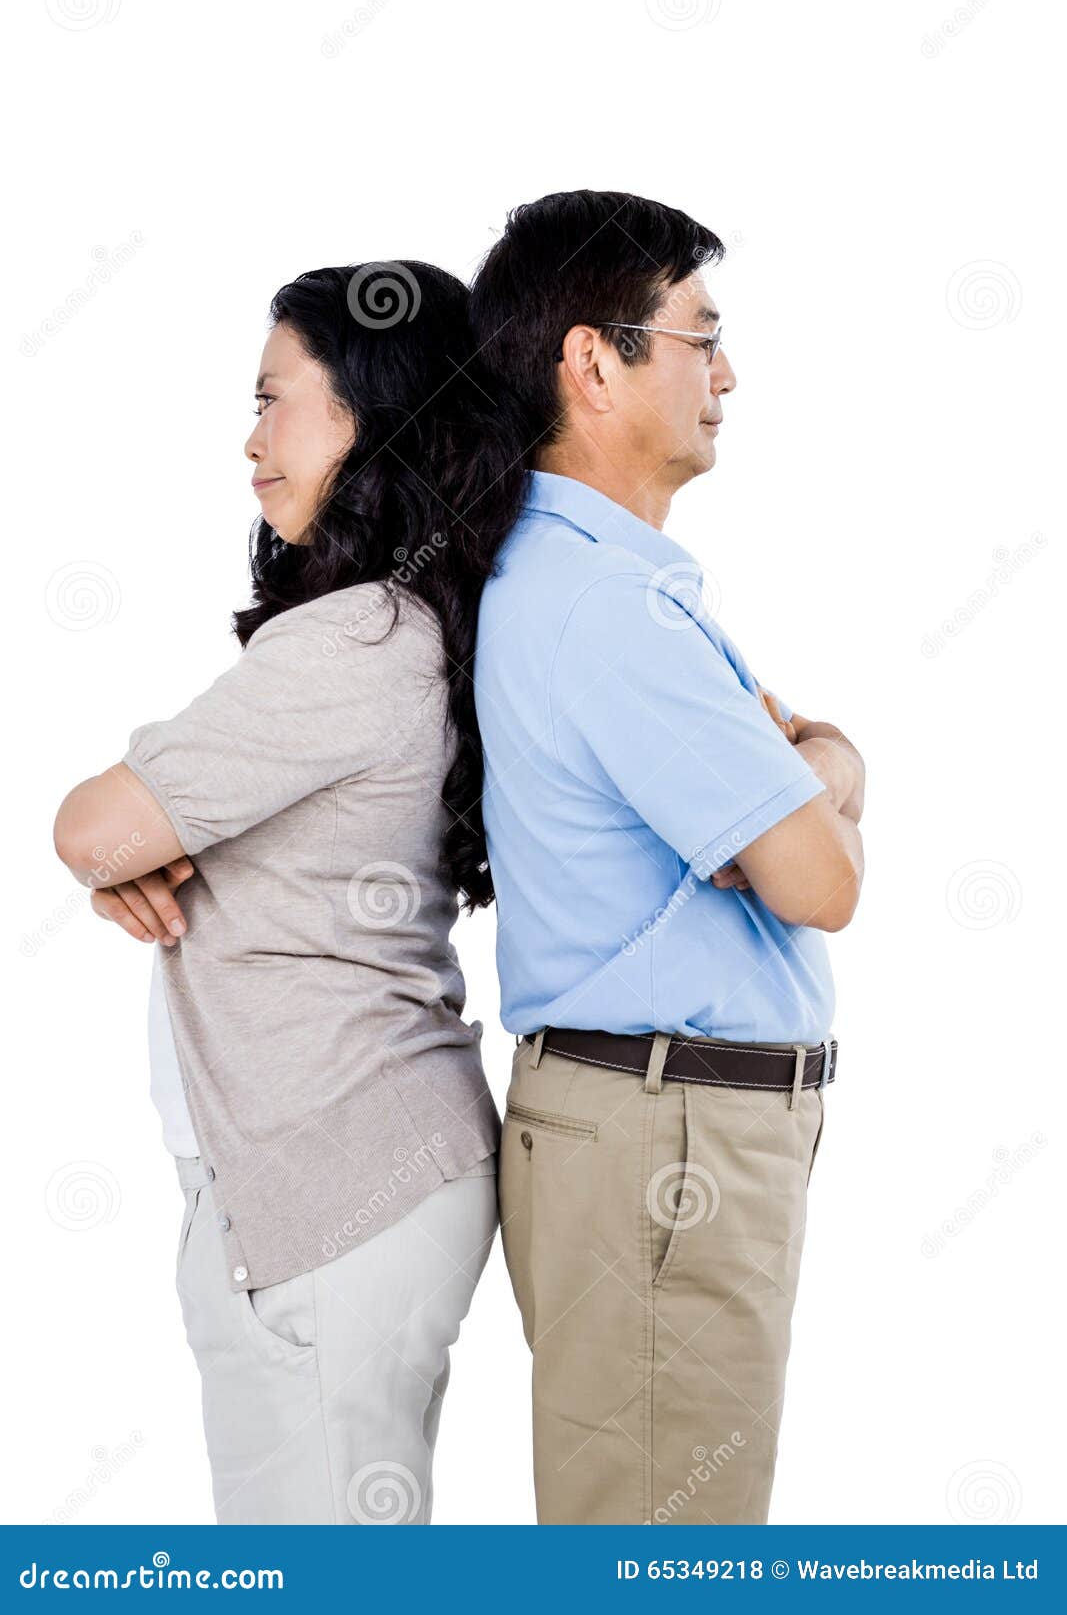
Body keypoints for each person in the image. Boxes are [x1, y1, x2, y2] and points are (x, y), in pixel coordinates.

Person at [53, 260, 526, 1525]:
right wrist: (135, 857)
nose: (251, 442)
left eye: (275, 401)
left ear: (371, 415)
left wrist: (127, 848)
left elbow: (93, 821)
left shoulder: (350, 640)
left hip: (330, 1188)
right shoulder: (416, 621)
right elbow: (126, 840)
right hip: (359, 1175)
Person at [469, 191, 866, 1525]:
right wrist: (817, 772)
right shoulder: (605, 609)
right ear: (592, 360)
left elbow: (800, 834)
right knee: (661, 1558)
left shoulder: (585, 583)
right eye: (700, 335)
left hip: (655, 1133)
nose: (727, 372)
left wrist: (803, 788)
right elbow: (821, 880)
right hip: (668, 1140)